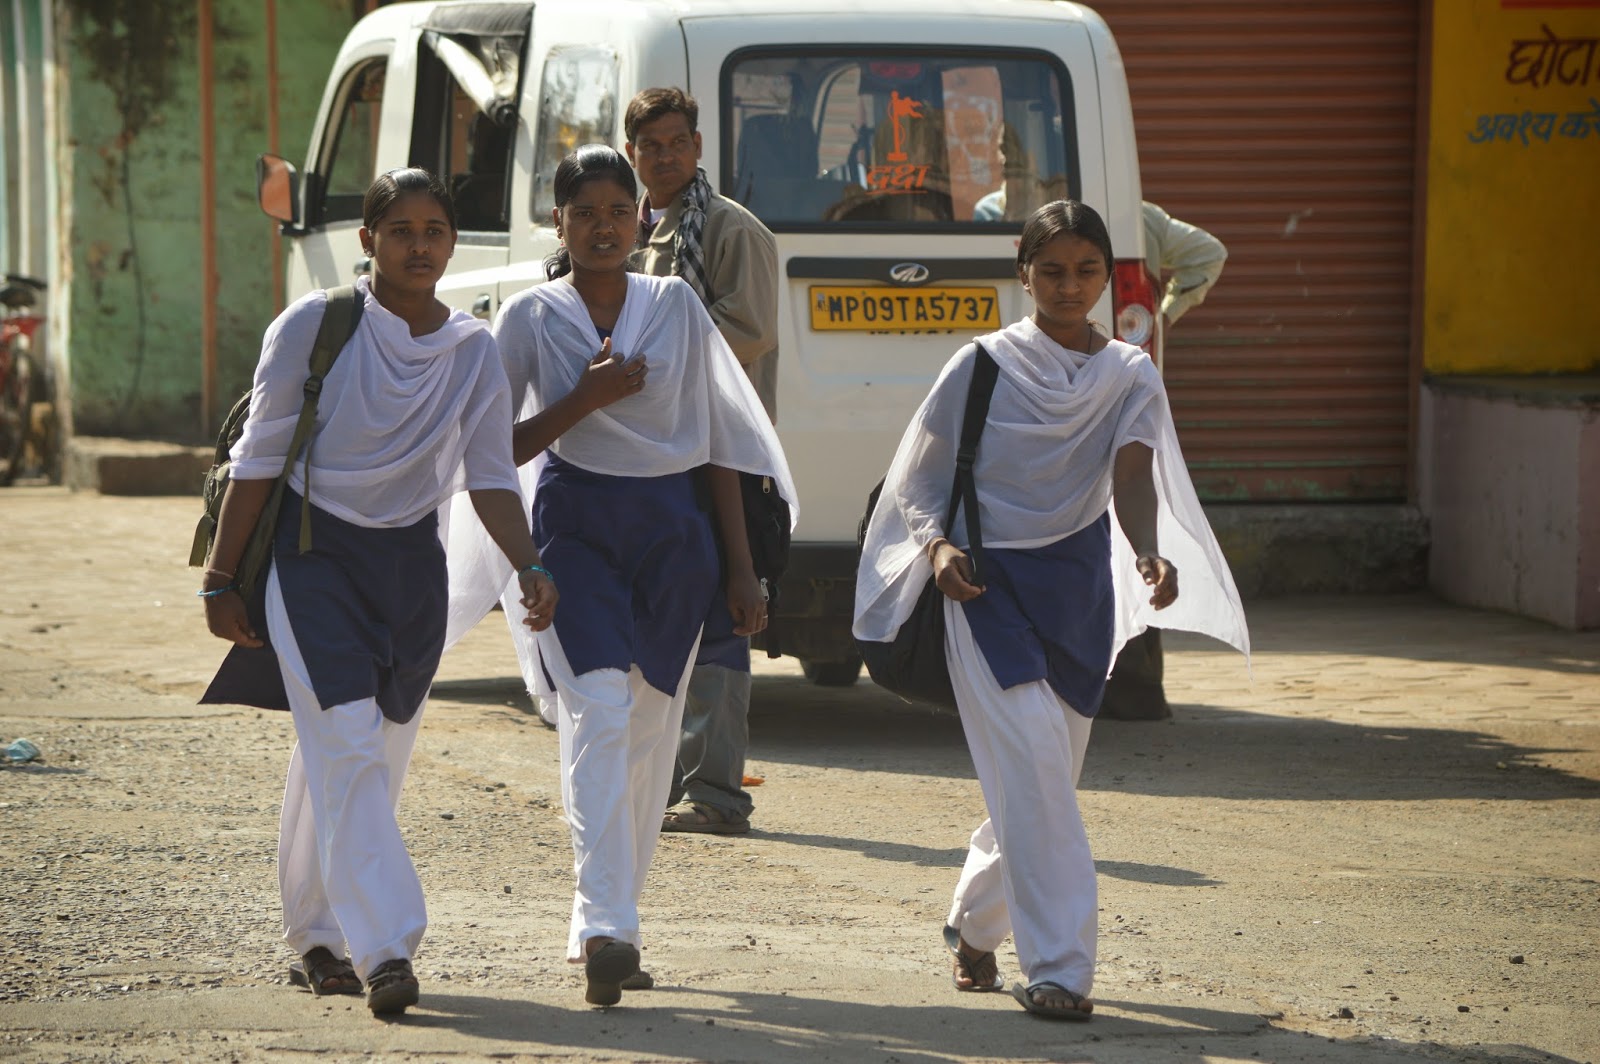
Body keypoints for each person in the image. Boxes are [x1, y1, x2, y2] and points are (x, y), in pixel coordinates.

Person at [854, 200, 1248, 1021]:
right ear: (1021, 271)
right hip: (984, 588)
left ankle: (971, 926)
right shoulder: (980, 365)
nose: (1070, 287)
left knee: (1041, 781)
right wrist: (936, 549)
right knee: (1036, 770)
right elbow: (916, 481)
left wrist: (1146, 550)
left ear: (1108, 276)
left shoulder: (1130, 372)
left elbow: (1132, 478)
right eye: (1053, 271)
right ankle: (1062, 970)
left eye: (1088, 271)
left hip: (1078, 594)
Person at [198, 168, 556, 1016]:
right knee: (349, 744)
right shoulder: (316, 326)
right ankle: (386, 947)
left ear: (453, 242)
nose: (420, 246)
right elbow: (256, 458)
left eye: (435, 230)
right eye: (401, 230)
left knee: (359, 753)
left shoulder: (472, 348)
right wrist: (221, 576)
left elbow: (491, 474)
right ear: (369, 241)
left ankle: (315, 934)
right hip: (311, 556)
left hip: (409, 569)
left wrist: (530, 564)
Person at [444, 145, 795, 1007]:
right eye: (584, 212)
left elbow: (717, 440)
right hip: (576, 528)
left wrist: (743, 573)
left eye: (618, 210)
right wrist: (582, 401)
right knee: (598, 711)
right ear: (558, 224)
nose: (603, 226)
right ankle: (607, 924)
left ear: (643, 220)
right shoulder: (530, 316)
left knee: (646, 730)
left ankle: (611, 913)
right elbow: (494, 448)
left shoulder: (677, 306)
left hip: (677, 537)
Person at [623, 86, 780, 836]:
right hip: (645, 452)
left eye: (677, 143)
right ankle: (666, 784)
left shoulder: (728, 231)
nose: (665, 157)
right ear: (632, 154)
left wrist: (638, 355)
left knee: (720, 621)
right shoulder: (627, 227)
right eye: (650, 146)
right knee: (657, 614)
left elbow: (743, 335)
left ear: (698, 148)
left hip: (716, 448)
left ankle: (718, 794)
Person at [1100, 200, 1229, 720]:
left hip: (1093, 393)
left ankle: (1123, 684)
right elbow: (1208, 253)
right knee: (1125, 521)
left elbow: (1209, 253)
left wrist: (1161, 316)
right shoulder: (1133, 211)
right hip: (1123, 390)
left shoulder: (1001, 208)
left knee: (1125, 527)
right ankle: (1133, 688)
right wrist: (1163, 315)